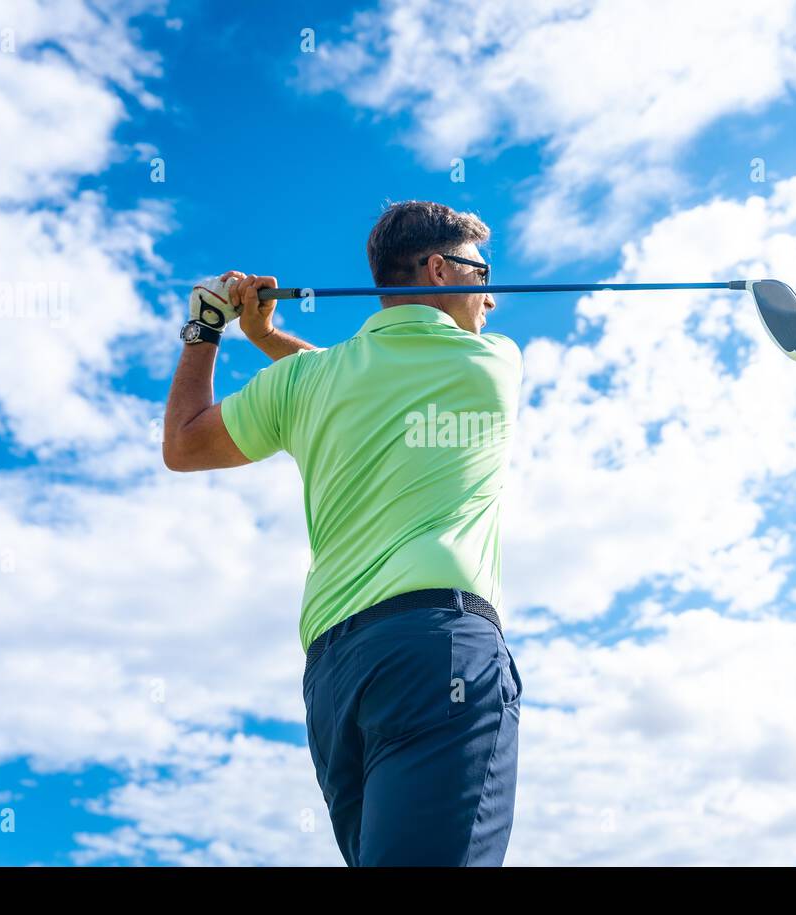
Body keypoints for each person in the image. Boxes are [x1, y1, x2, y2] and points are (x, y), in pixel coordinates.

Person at [161, 200, 524, 866]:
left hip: (337, 682)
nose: (492, 298)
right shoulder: (492, 363)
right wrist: (269, 337)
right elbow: (371, 383)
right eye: (483, 272)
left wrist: (208, 328)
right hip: (438, 652)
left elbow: (185, 445)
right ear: (440, 270)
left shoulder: (307, 382)